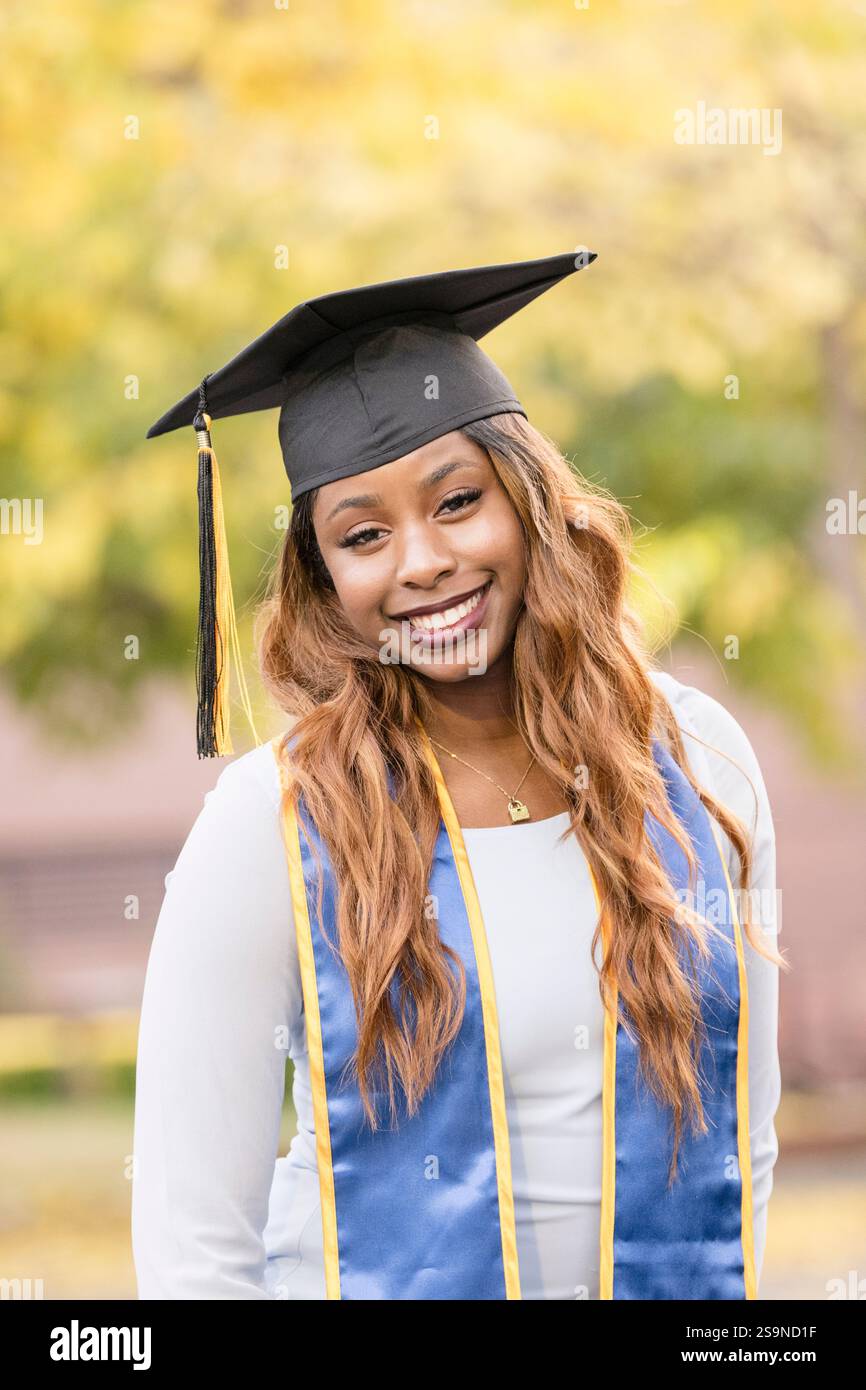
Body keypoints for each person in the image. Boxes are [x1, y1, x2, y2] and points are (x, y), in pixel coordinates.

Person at [131, 252, 785, 1300]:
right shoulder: (275, 824)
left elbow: (738, 1140)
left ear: (528, 501)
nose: (420, 561)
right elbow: (192, 1248)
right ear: (324, 577)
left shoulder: (696, 762)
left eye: (455, 501)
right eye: (362, 534)